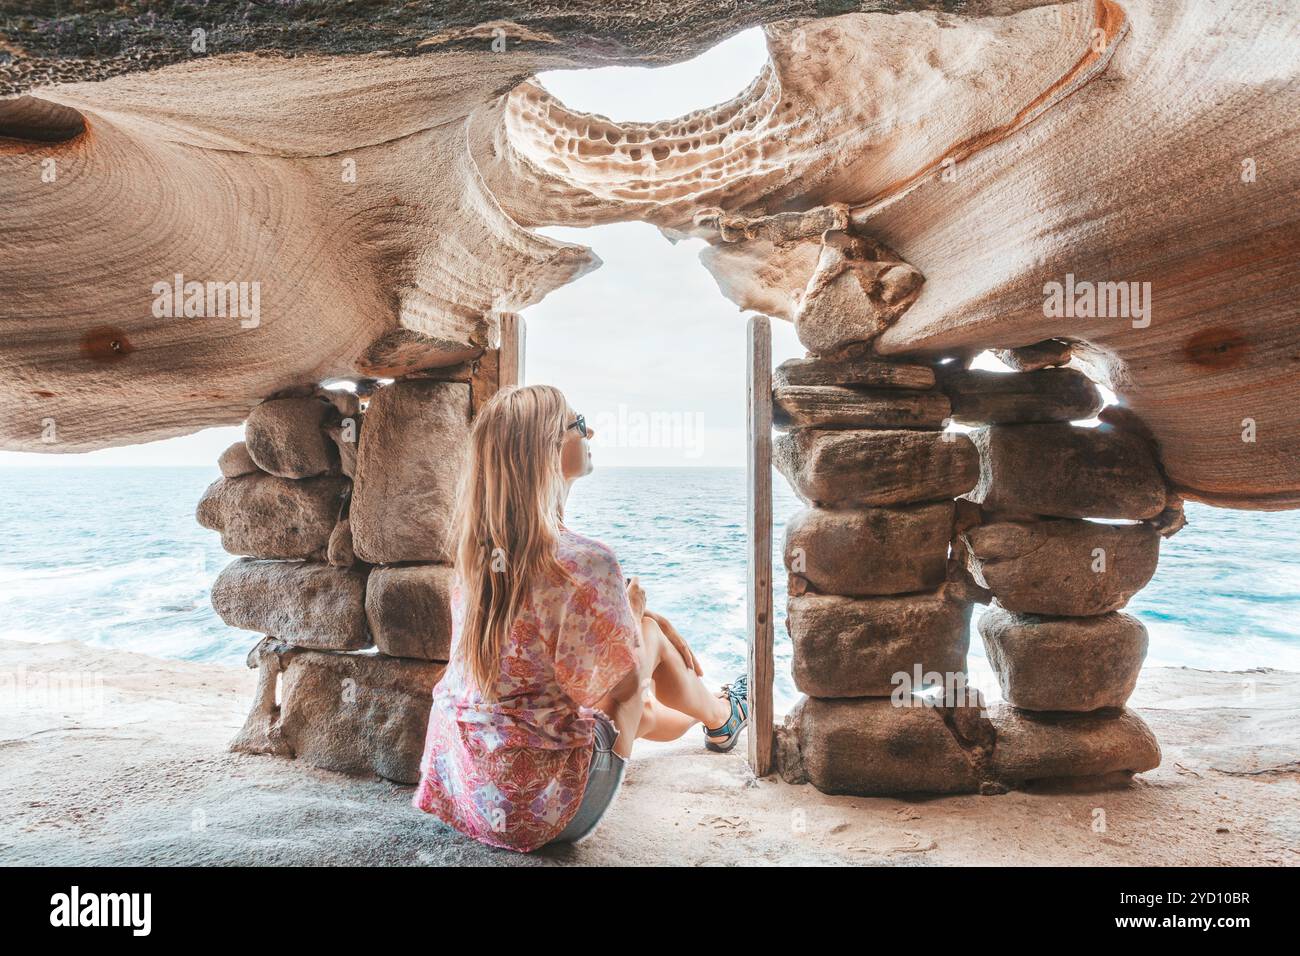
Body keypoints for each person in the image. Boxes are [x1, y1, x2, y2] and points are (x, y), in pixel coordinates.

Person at [411, 384, 749, 852]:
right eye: (578, 423)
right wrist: (634, 617)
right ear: (547, 450)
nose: (591, 431)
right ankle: (723, 715)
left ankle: (717, 717)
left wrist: (629, 619)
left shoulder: (477, 557)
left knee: (637, 709)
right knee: (643, 650)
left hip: (466, 791)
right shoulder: (586, 562)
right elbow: (626, 690)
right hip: (541, 817)